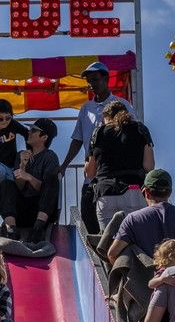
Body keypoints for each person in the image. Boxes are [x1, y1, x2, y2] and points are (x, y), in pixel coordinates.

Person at [57, 62, 136, 234]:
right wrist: (64, 165)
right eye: (89, 81)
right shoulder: (86, 108)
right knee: (88, 217)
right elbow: (77, 139)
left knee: (120, 221)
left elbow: (134, 135)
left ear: (106, 79)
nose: (92, 84)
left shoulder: (122, 105)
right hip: (92, 174)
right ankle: (96, 255)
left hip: (116, 175)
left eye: (95, 79)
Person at [83, 100, 154, 230]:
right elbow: (149, 166)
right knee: (137, 239)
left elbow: (90, 173)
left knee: (109, 244)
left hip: (105, 192)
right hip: (134, 190)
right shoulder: (140, 129)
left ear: (107, 117)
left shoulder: (98, 133)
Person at [106, 169, 175, 264]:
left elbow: (112, 254)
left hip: (148, 278)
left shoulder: (133, 219)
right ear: (170, 192)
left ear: (146, 192)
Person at [0, 118, 60, 242]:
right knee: (6, 184)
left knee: (53, 181)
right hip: (22, 211)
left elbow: (46, 189)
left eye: (34, 130)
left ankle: (38, 229)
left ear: (44, 137)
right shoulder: (21, 154)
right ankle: (11, 229)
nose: (29, 132)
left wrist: (30, 177)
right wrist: (22, 166)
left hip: (40, 212)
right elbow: (19, 187)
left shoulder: (50, 156)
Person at [0, 99, 30, 207]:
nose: (5, 121)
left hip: (12, 164)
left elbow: (26, 133)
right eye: (0, 119)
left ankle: (11, 209)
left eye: (8, 118)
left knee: (11, 185)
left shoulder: (13, 125)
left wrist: (29, 150)